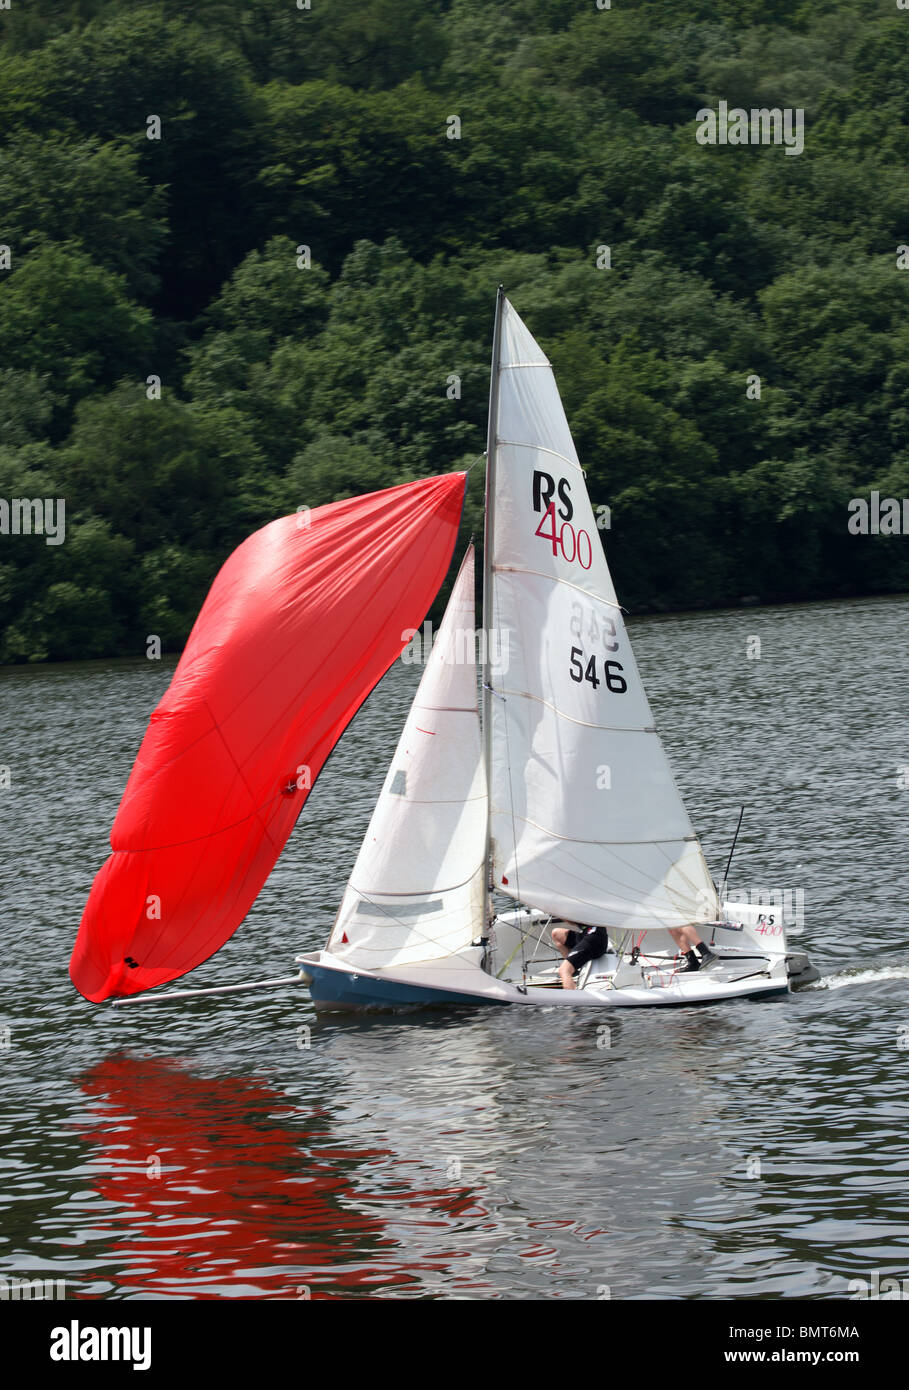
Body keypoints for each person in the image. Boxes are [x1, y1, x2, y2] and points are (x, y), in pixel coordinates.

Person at [551, 920, 609, 990]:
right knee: (556, 933)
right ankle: (573, 970)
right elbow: (571, 921)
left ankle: (572, 998)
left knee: (564, 970)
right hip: (586, 933)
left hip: (594, 939)